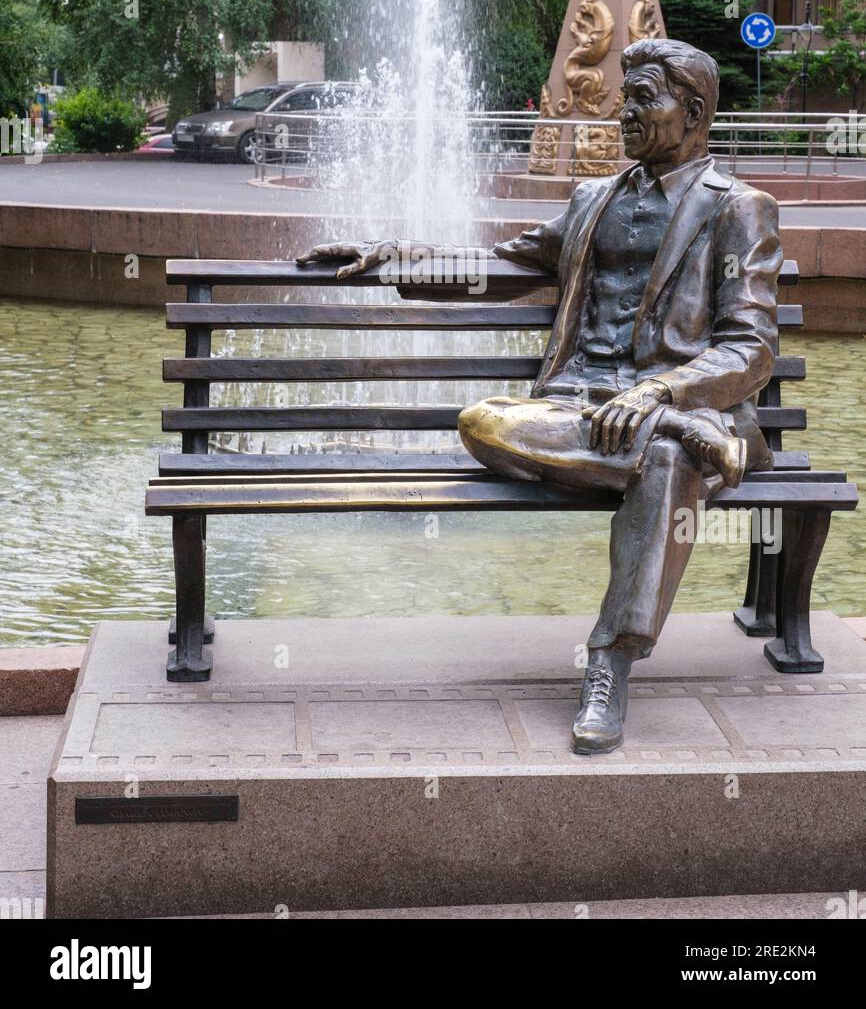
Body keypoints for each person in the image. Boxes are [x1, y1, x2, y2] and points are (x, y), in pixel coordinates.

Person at [297, 38, 783, 754]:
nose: (626, 109)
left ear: (696, 112)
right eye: (626, 94)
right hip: (578, 410)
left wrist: (659, 390)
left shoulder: (738, 209)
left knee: (664, 470)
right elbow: (502, 265)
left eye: (645, 97)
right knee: (485, 423)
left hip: (666, 400)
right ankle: (682, 432)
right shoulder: (594, 199)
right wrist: (396, 257)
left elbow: (752, 348)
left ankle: (610, 664)